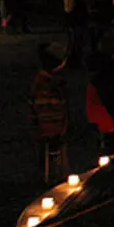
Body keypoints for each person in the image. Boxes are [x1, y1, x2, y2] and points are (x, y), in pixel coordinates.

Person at [86, 32, 114, 155]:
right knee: (113, 150)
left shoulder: (100, 67)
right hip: (108, 118)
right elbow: (111, 98)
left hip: (98, 116)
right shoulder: (111, 70)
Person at [29, 43, 70, 185]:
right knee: (51, 153)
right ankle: (51, 179)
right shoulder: (46, 85)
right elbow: (49, 108)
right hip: (51, 127)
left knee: (52, 153)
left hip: (52, 126)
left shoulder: (49, 81)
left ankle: (52, 176)